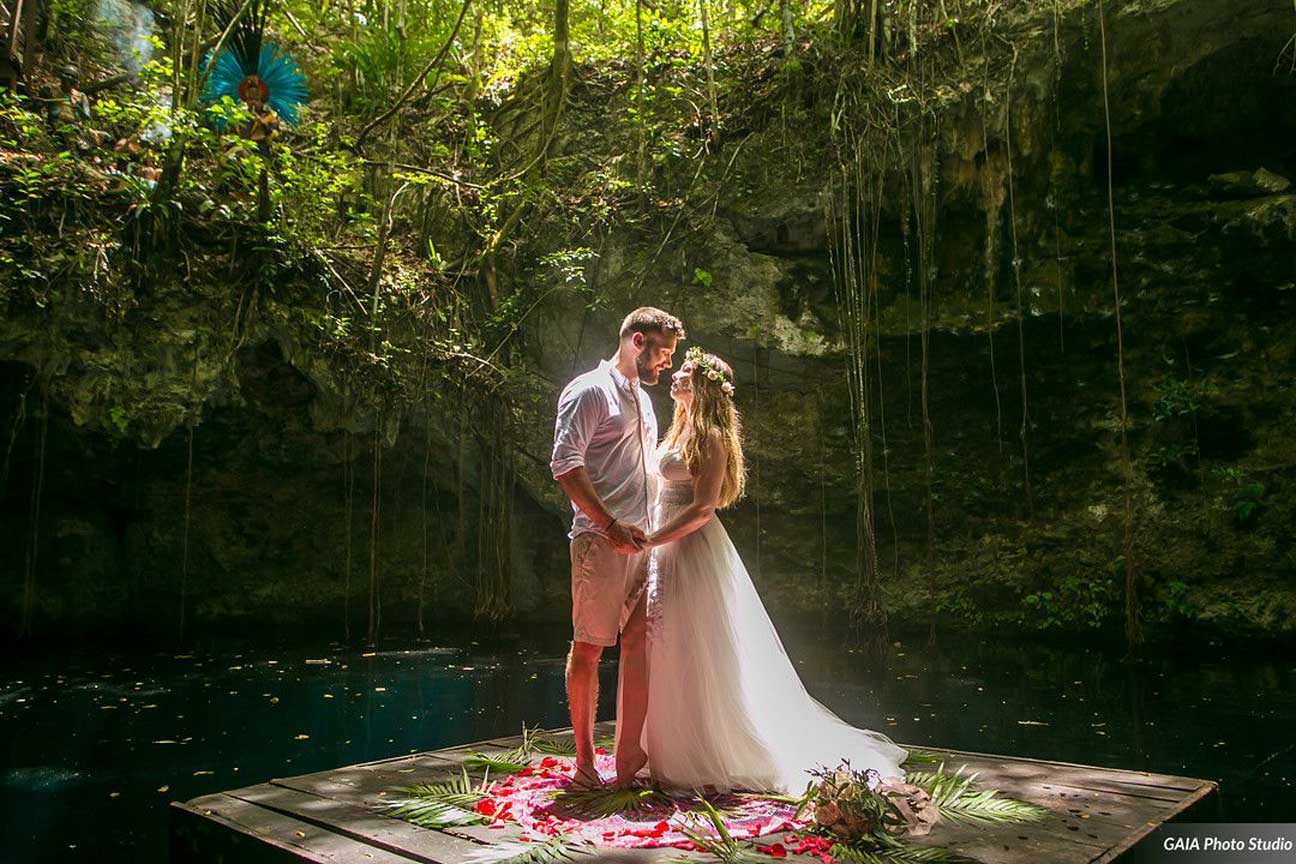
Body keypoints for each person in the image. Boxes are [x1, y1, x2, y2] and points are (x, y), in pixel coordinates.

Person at [641, 346, 907, 793]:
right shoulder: (678, 428)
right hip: (663, 546)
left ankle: (704, 752)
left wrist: (652, 539)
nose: (676, 376)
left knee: (693, 644)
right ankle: (666, 748)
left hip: (688, 547)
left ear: (704, 385)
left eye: (685, 371)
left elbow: (703, 509)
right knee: (665, 642)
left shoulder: (712, 437)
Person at [550, 307, 685, 787]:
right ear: (637, 341)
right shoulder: (589, 390)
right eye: (663, 352)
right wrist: (609, 525)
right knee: (589, 648)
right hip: (601, 541)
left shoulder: (644, 401)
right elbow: (565, 465)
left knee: (639, 645)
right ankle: (585, 765)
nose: (667, 363)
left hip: (644, 544)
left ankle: (629, 756)